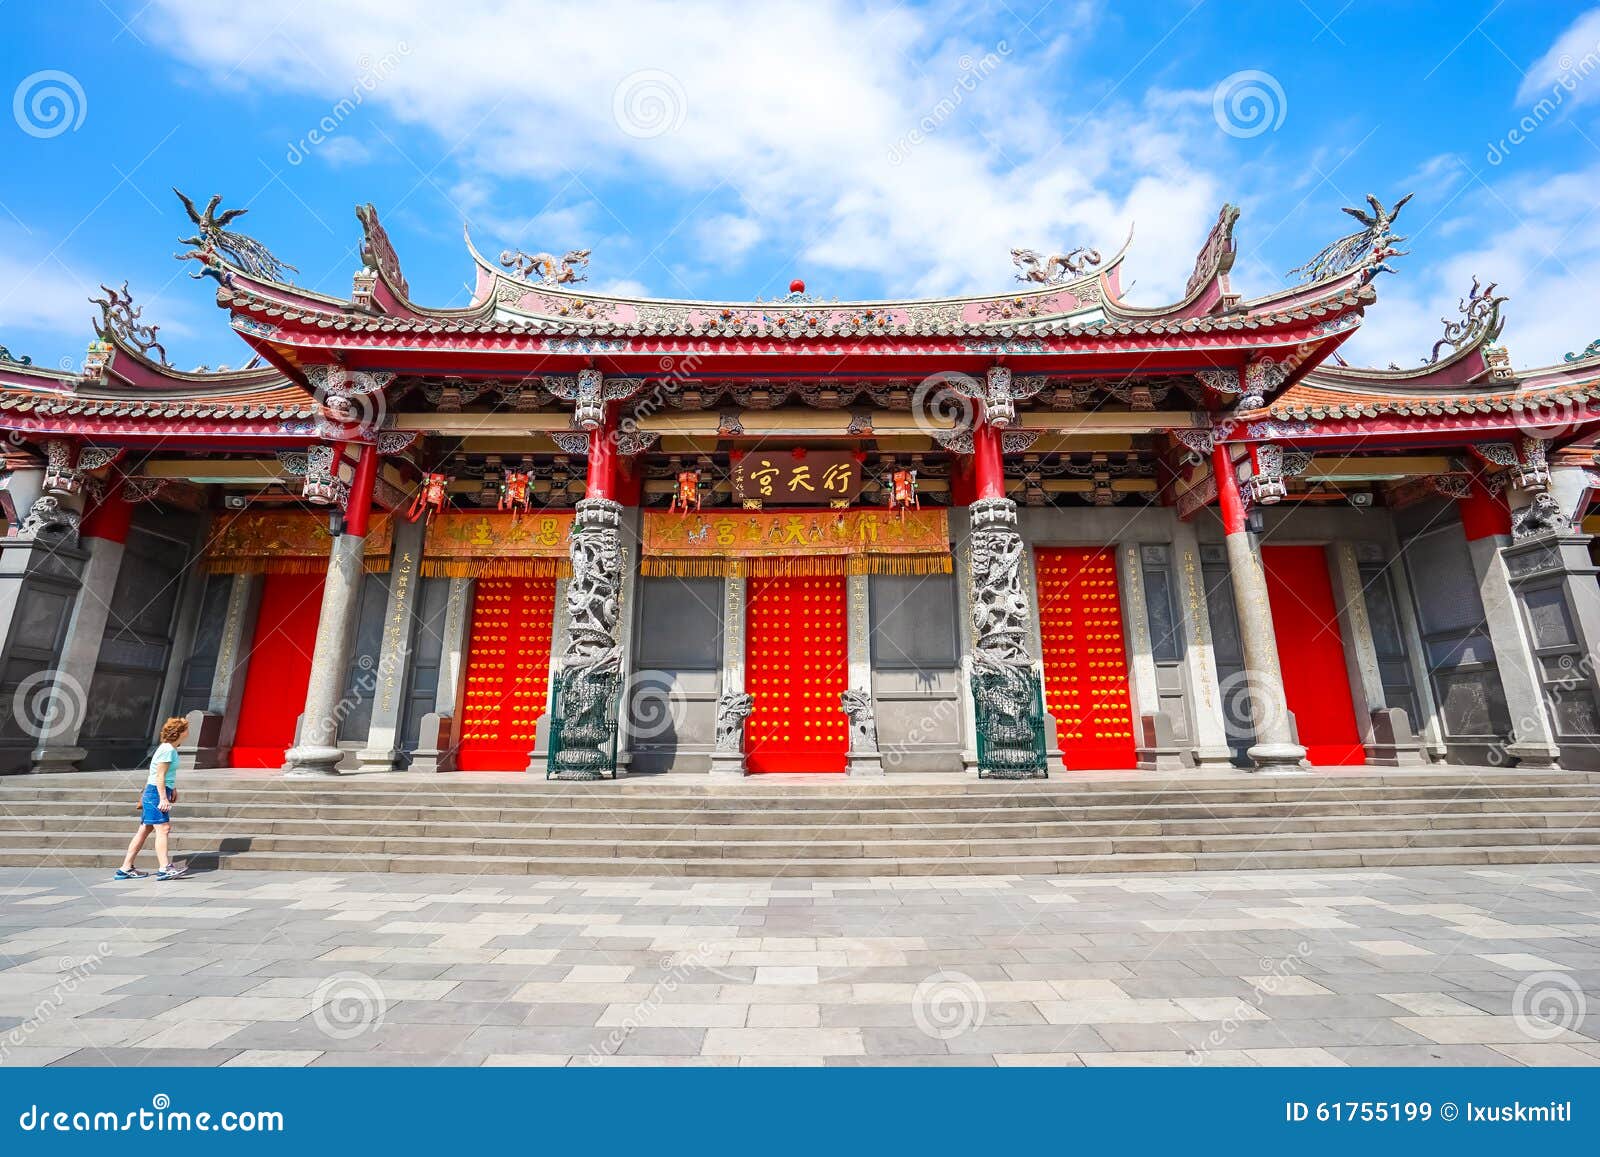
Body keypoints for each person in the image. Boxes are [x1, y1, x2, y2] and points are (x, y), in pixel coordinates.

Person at [115, 717, 190, 881]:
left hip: (156, 791)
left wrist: (172, 788)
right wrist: (163, 798)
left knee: (144, 830)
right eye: (186, 729)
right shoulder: (167, 750)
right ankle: (164, 868)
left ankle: (126, 868)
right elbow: (159, 775)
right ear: (179, 732)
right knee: (163, 828)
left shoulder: (170, 749)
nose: (188, 732)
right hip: (156, 793)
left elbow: (163, 774)